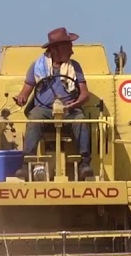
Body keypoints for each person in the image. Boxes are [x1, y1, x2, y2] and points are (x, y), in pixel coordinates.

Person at [12, 27, 93, 180]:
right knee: (34, 118)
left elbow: (85, 94)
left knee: (81, 120)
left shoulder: (74, 67)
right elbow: (25, 92)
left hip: (69, 110)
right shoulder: (37, 67)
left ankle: (85, 164)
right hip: (44, 110)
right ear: (56, 49)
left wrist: (74, 104)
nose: (72, 51)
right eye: (68, 46)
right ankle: (26, 164)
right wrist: (21, 98)